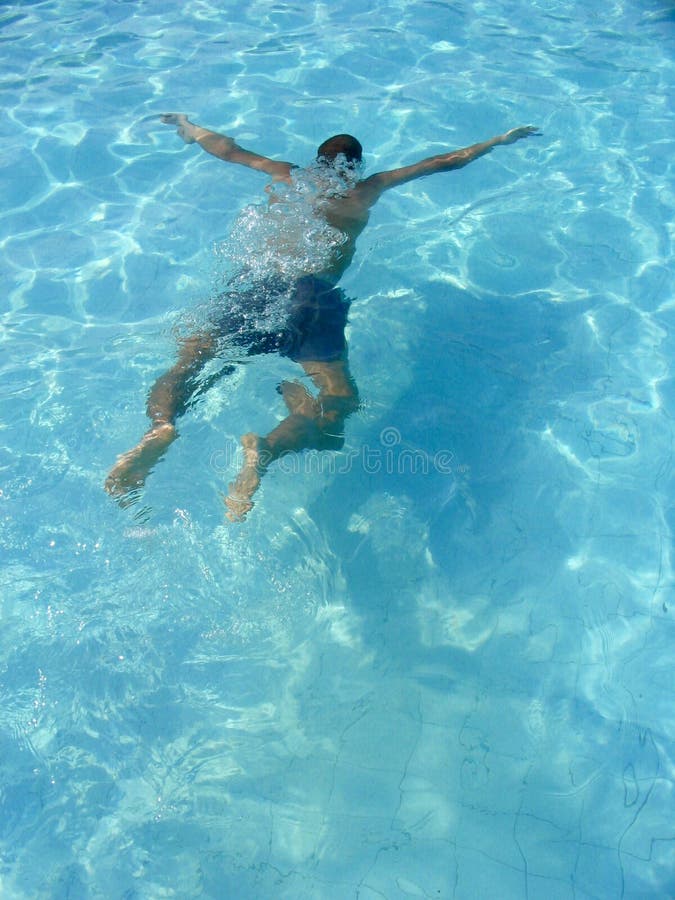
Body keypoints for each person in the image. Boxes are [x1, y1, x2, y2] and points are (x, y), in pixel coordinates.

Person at [105, 113, 539, 520]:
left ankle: (161, 427)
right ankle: (269, 450)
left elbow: (227, 149)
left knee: (191, 361)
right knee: (338, 401)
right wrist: (500, 140)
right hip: (314, 295)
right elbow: (445, 161)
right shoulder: (365, 189)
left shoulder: (285, 174)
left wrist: (187, 126)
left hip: (258, 286)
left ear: (317, 162)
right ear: (355, 167)